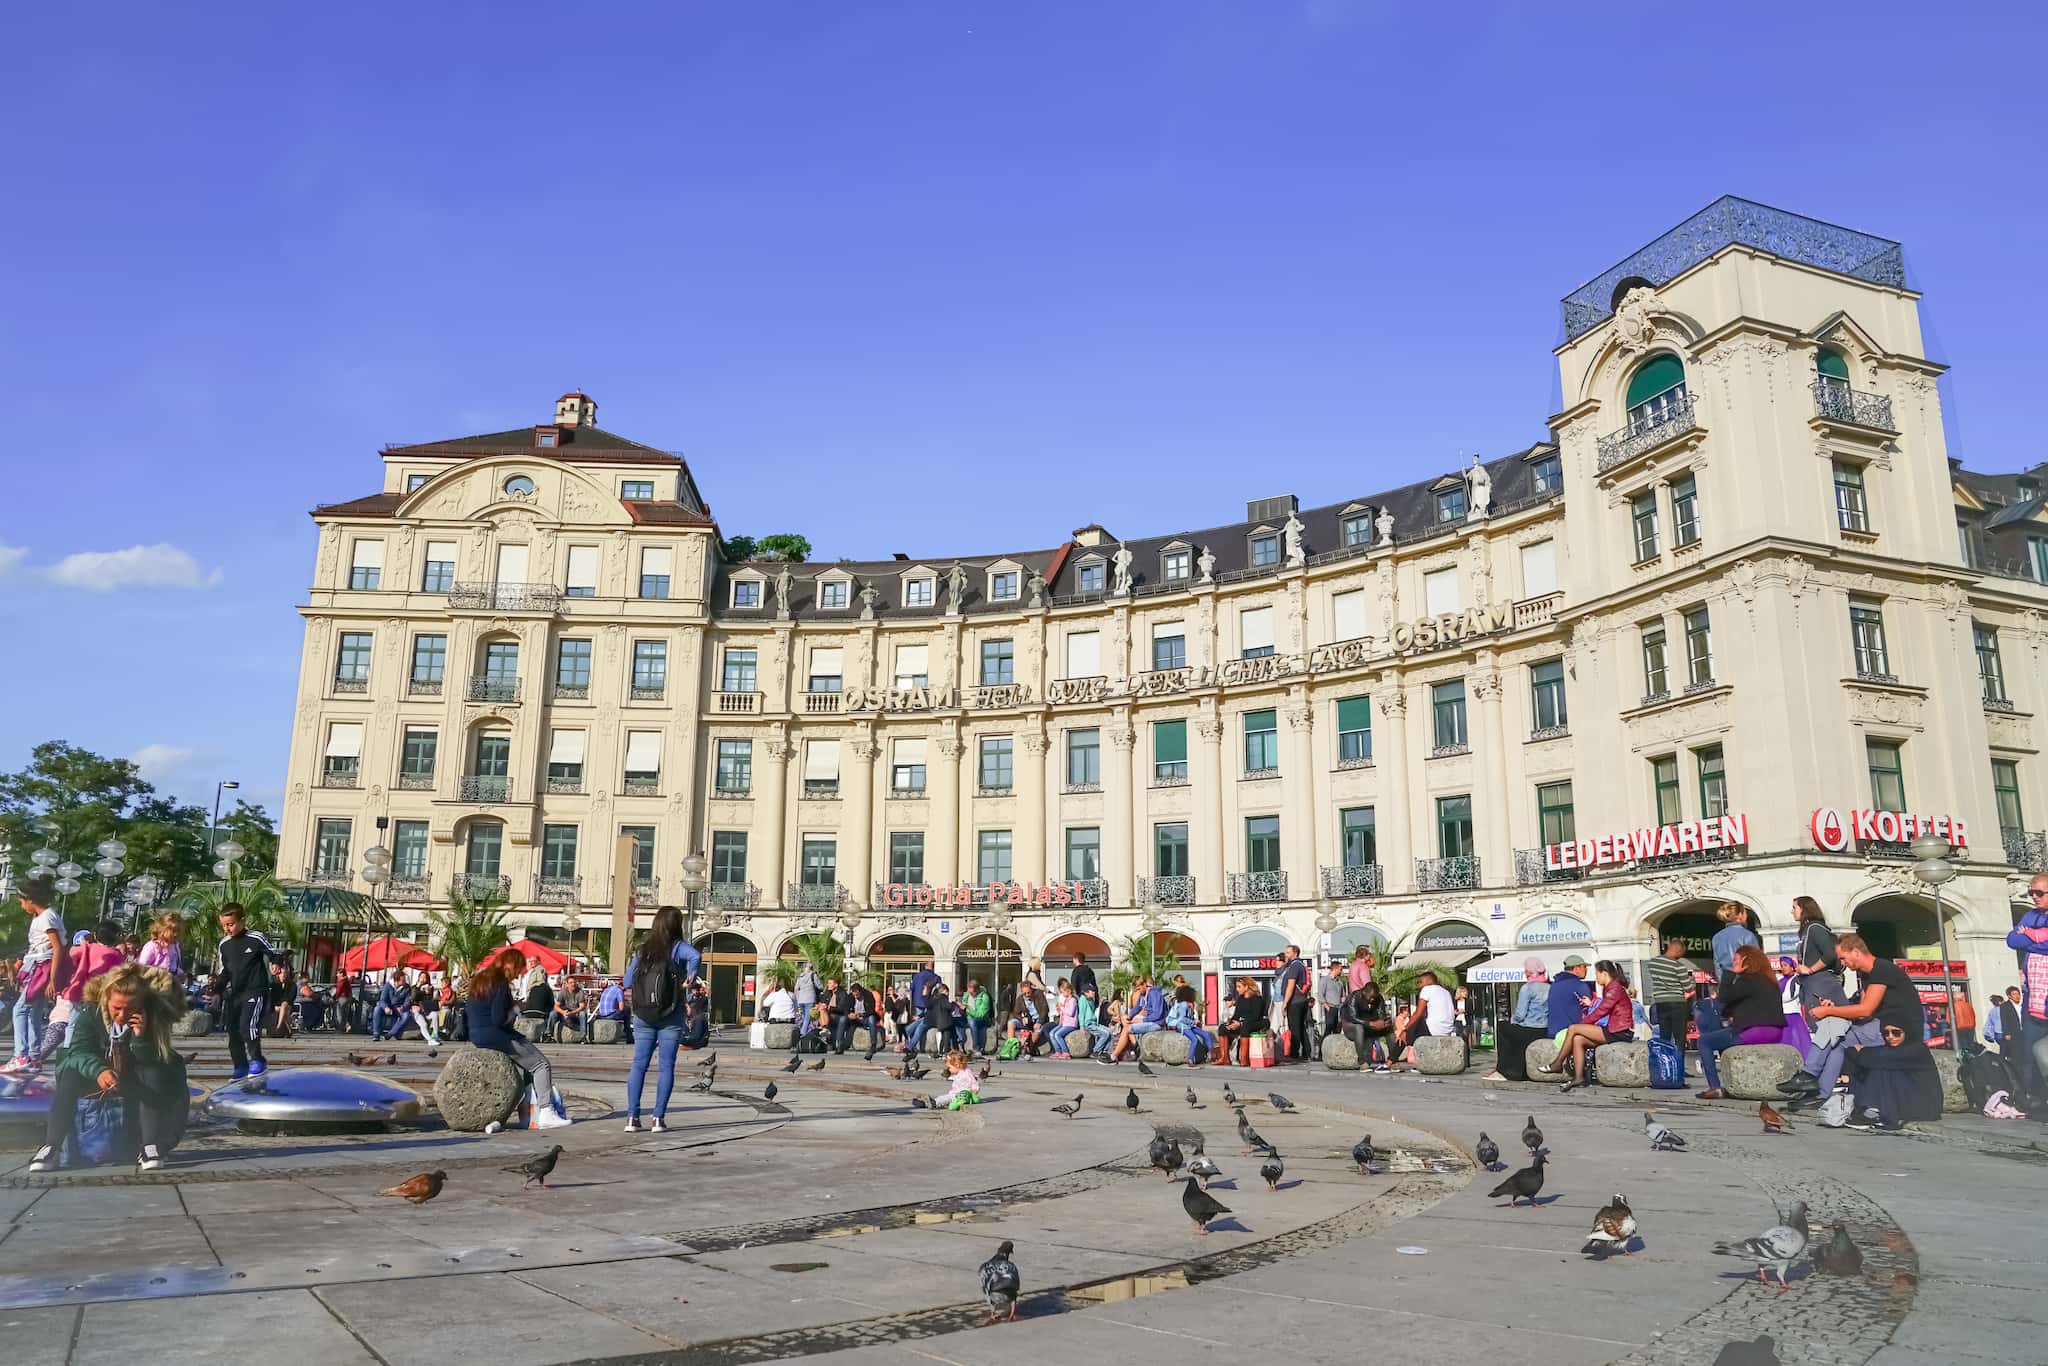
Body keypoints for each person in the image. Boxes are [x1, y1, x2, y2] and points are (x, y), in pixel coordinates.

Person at [28, 961, 191, 1174]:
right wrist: (98, 1070)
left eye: (130, 1009)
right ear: (106, 999)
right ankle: (51, 1146)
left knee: (150, 1072)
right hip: (99, 1075)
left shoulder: (151, 1016)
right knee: (68, 1075)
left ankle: (149, 1145)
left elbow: (158, 1063)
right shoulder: (91, 1013)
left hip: (134, 1079)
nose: (122, 1015)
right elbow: (78, 1052)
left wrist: (141, 1039)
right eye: (117, 1008)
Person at [1781, 933, 1920, 1104]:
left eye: (1843, 958)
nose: (1842, 964)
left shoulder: (1882, 969)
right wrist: (1834, 1008)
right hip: (1878, 1026)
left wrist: (1830, 1012)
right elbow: (1861, 1012)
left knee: (1834, 1023)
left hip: (1898, 1031)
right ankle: (1818, 1091)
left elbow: (1865, 1010)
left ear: (1856, 952)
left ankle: (1809, 1076)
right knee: (1836, 1035)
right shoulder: (1866, 974)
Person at [463, 955, 571, 1130]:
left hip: (477, 1035)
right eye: (519, 968)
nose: (519, 973)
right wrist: (515, 1009)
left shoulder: (479, 981)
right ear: (510, 966)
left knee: (525, 1071)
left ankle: (518, 1116)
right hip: (497, 1036)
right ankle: (546, 1111)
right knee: (541, 1065)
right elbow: (498, 1019)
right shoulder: (500, 984)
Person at [623, 905, 693, 1131]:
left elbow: (626, 981)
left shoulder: (642, 950)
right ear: (677, 925)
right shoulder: (678, 948)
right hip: (670, 1015)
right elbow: (696, 956)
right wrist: (689, 978)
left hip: (643, 1014)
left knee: (639, 1065)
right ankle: (657, 1118)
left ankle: (632, 1118)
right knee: (666, 1067)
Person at [1694, 946, 1788, 1099]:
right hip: (1775, 1032)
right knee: (1724, 1039)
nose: (1734, 963)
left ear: (1747, 961)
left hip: (1754, 1031)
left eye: (1736, 960)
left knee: (1704, 1041)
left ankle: (1714, 1086)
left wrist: (1729, 974)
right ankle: (1732, 1080)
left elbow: (1724, 997)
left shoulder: (1748, 979)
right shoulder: (1770, 981)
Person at [5, 875, 66, 1073]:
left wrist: (52, 979)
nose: (22, 906)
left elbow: (57, 948)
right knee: (33, 1012)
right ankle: (33, 1057)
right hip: (38, 967)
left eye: (22, 901)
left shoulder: (47, 917)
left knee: (20, 1010)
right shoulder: (42, 917)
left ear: (30, 900)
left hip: (44, 968)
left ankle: (21, 1055)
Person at [212, 904, 275, 1080]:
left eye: (231, 924)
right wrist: (217, 991)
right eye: (224, 925)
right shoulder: (224, 944)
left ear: (242, 921)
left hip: (255, 990)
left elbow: (273, 953)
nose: (227, 928)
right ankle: (240, 1064)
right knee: (233, 1030)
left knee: (247, 1026)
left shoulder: (256, 938)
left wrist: (276, 963)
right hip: (235, 994)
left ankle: (258, 1060)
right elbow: (224, 971)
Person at [1550, 961, 1634, 1093]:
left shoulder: (1614, 988)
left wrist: (1582, 1025)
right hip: (1613, 1028)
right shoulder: (1610, 988)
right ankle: (1578, 1077)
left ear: (1604, 973)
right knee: (1578, 1039)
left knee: (1573, 1028)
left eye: (1597, 974)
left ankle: (1557, 1063)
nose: (1596, 977)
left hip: (1619, 1031)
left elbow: (1602, 1011)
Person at [2009, 875, 2048, 1099]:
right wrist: (2039, 942)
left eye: (2039, 893)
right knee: (2031, 1050)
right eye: (2031, 892)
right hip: (2033, 995)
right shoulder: (2031, 915)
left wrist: (2031, 942)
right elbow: (2012, 940)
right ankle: (2035, 1098)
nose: (2033, 897)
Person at [1486, 958, 1552, 1083]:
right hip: (1543, 1029)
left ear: (1528, 972)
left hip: (1529, 1028)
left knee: (1502, 1027)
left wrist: (1513, 1021)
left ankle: (1504, 1069)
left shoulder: (1527, 988)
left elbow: (1520, 1015)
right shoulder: (1549, 987)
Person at [1399, 971, 1457, 1069]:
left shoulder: (1427, 989)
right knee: (1417, 1022)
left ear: (1429, 981)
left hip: (1434, 1029)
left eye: (1421, 982)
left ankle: (1395, 1058)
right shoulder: (1445, 991)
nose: (1419, 985)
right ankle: (1402, 1055)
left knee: (1414, 1022)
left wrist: (1404, 1030)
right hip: (1447, 1031)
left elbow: (1418, 1013)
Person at [1644, 937, 1693, 1053]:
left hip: (1661, 1002)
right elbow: (1688, 988)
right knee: (1679, 1038)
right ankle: (1679, 1067)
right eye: (1681, 953)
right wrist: (1691, 980)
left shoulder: (1652, 963)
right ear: (1678, 950)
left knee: (1664, 1036)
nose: (1680, 957)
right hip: (1678, 1003)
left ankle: (1666, 1065)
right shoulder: (1679, 966)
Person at [1342, 975, 1395, 1070]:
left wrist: (1384, 1021)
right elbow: (1353, 1017)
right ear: (1364, 992)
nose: (1372, 1000)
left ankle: (1393, 1060)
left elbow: (1380, 1013)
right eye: (1370, 997)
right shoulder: (1354, 997)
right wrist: (1371, 1024)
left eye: (1374, 998)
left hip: (1370, 1025)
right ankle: (1362, 1062)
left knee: (1389, 1028)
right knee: (1359, 1028)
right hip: (1352, 1026)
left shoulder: (1378, 998)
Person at [1216, 976, 1269, 1066]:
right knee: (1223, 1028)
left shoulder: (1258, 999)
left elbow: (1256, 1016)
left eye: (1239, 987)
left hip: (1259, 1022)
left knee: (1246, 1026)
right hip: (1244, 1023)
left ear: (1246, 987)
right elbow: (1236, 1015)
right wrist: (1232, 1024)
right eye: (1237, 987)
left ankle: (1244, 1059)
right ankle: (1224, 1058)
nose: (1237, 989)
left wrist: (1240, 1024)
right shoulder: (1240, 999)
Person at [1711, 902, 1761, 993]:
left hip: (1726, 982)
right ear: (1740, 915)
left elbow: (1717, 964)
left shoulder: (1717, 937)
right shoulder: (1748, 936)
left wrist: (1722, 984)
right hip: (1746, 982)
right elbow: (1756, 963)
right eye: (1745, 912)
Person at [1276, 946, 1312, 1063]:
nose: (1286, 955)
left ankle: (1294, 1054)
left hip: (1295, 1001)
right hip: (1301, 1000)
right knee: (1301, 1027)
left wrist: (1285, 1003)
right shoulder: (1300, 964)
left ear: (1295, 953)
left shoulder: (1294, 966)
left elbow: (1291, 985)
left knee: (1294, 1028)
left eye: (1288, 952)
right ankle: (1307, 1053)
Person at [1167, 985, 1214, 1062]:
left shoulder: (1188, 1004)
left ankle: (1212, 1053)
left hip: (1189, 1025)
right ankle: (1190, 1059)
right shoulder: (1183, 1004)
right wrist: (1194, 1022)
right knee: (1194, 1040)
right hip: (1182, 1026)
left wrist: (1194, 1021)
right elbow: (1182, 1019)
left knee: (1206, 1034)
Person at [371, 970, 411, 1041]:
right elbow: (382, 1000)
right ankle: (376, 1033)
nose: (405, 981)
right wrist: (386, 1007)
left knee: (406, 1015)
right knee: (377, 1009)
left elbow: (407, 1001)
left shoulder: (406, 987)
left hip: (399, 1007)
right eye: (403, 980)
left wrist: (403, 1007)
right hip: (388, 1006)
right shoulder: (387, 986)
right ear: (396, 981)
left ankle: (390, 1033)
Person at [1317, 961, 1347, 1053]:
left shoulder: (1339, 982)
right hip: (1330, 1007)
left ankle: (1335, 1051)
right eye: (1340, 969)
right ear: (1335, 969)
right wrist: (1326, 1006)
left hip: (1338, 1007)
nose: (1341, 971)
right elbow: (1320, 995)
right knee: (1328, 1028)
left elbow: (1342, 995)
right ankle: (1322, 1052)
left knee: (1336, 1029)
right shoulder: (1325, 980)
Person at [961, 979, 995, 1053]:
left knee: (972, 1022)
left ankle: (976, 1048)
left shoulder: (984, 997)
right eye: (968, 991)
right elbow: (963, 1004)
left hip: (982, 1019)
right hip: (967, 1018)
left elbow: (980, 1014)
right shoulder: (966, 995)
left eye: (972, 992)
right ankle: (958, 1047)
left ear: (977, 990)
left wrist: (967, 1010)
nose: (970, 994)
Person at [793, 962, 820, 1041]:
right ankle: (802, 1035)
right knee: (807, 1019)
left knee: (805, 1018)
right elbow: (819, 986)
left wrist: (798, 998)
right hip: (810, 999)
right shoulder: (813, 975)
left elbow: (796, 988)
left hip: (801, 1000)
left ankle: (805, 1034)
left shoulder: (800, 977)